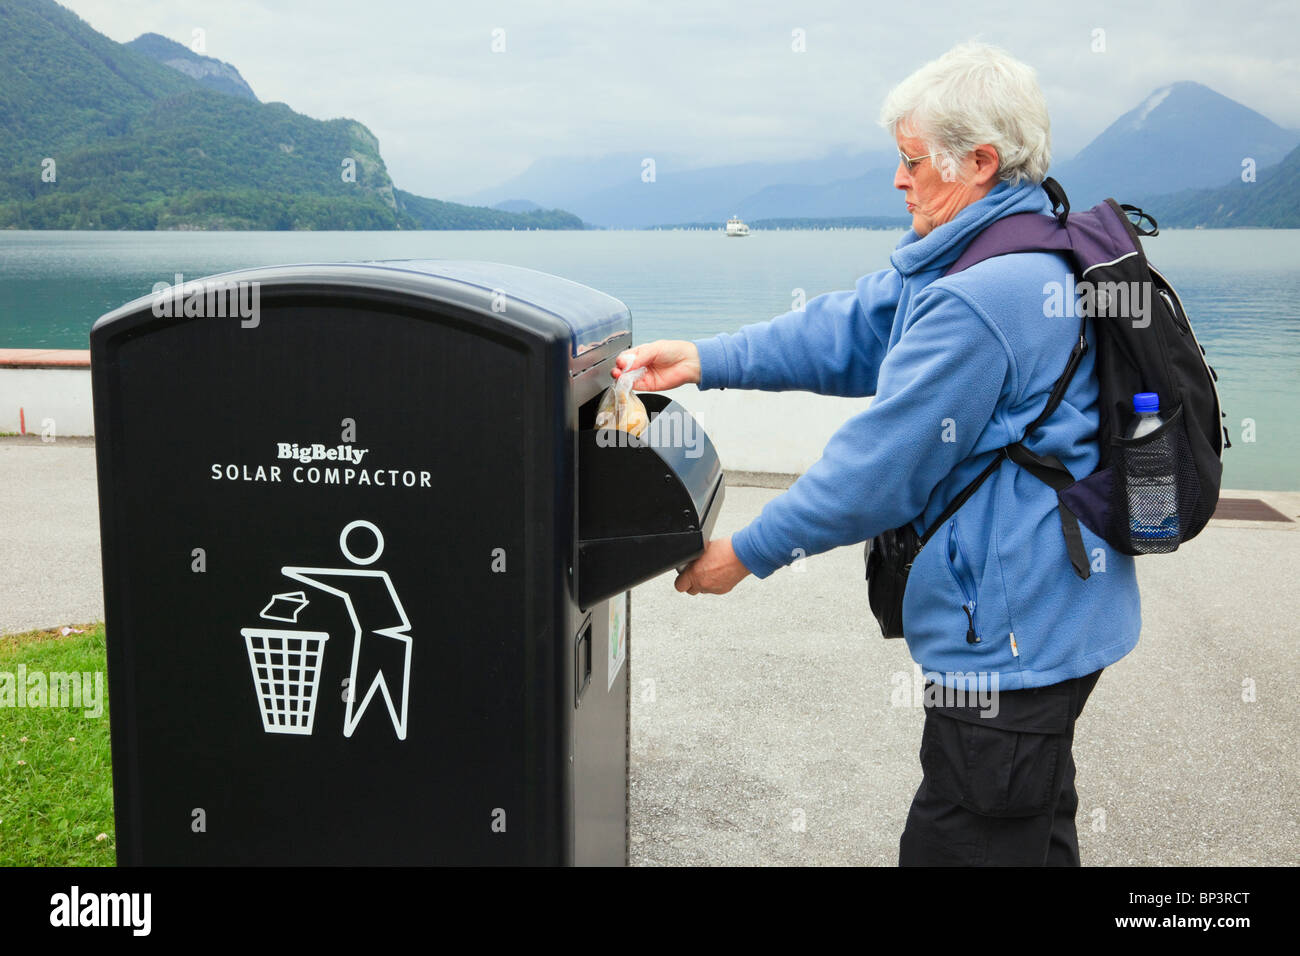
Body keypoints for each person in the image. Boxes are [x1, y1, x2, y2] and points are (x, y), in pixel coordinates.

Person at [611, 41, 1141, 866]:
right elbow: (853, 327)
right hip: (1043, 616)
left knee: (963, 839)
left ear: (979, 162)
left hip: (1010, 636)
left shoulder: (986, 294)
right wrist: (710, 359)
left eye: (910, 161)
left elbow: (882, 466)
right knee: (1027, 827)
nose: (897, 180)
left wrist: (744, 553)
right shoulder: (998, 243)